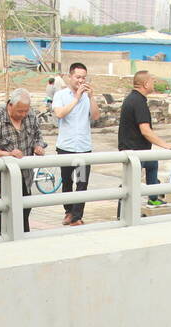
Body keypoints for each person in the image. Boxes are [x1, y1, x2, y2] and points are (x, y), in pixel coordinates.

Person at [0, 89, 46, 236]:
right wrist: (8, 154)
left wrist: (38, 146)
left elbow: (38, 136)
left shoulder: (30, 115)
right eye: (19, 111)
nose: (23, 115)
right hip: (4, 179)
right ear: (10, 105)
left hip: (25, 176)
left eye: (26, 111)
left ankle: (23, 245)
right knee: (4, 215)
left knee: (24, 212)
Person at [118, 70, 171, 208]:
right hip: (134, 152)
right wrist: (166, 145)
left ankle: (153, 198)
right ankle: (122, 214)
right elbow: (145, 131)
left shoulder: (134, 98)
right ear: (146, 84)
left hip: (141, 149)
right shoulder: (138, 102)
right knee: (129, 185)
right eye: (152, 81)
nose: (154, 83)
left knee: (152, 164)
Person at [52, 61, 100, 226]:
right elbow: (59, 113)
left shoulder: (88, 96)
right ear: (69, 77)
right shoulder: (61, 95)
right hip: (66, 147)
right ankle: (68, 212)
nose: (81, 81)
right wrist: (76, 98)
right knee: (67, 182)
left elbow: (95, 116)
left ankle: (77, 216)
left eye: (84, 78)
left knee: (82, 182)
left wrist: (91, 97)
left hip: (83, 148)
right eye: (78, 77)